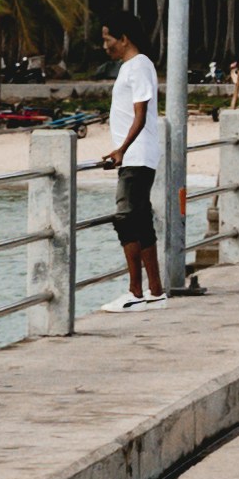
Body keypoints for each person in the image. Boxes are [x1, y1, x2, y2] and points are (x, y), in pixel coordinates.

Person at [99, 20, 172, 303]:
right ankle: (155, 291)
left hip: (137, 155)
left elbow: (140, 115)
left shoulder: (140, 65)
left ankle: (135, 292)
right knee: (140, 219)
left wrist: (121, 149)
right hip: (135, 155)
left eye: (108, 39)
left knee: (125, 217)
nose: (105, 46)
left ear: (124, 38)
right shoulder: (130, 67)